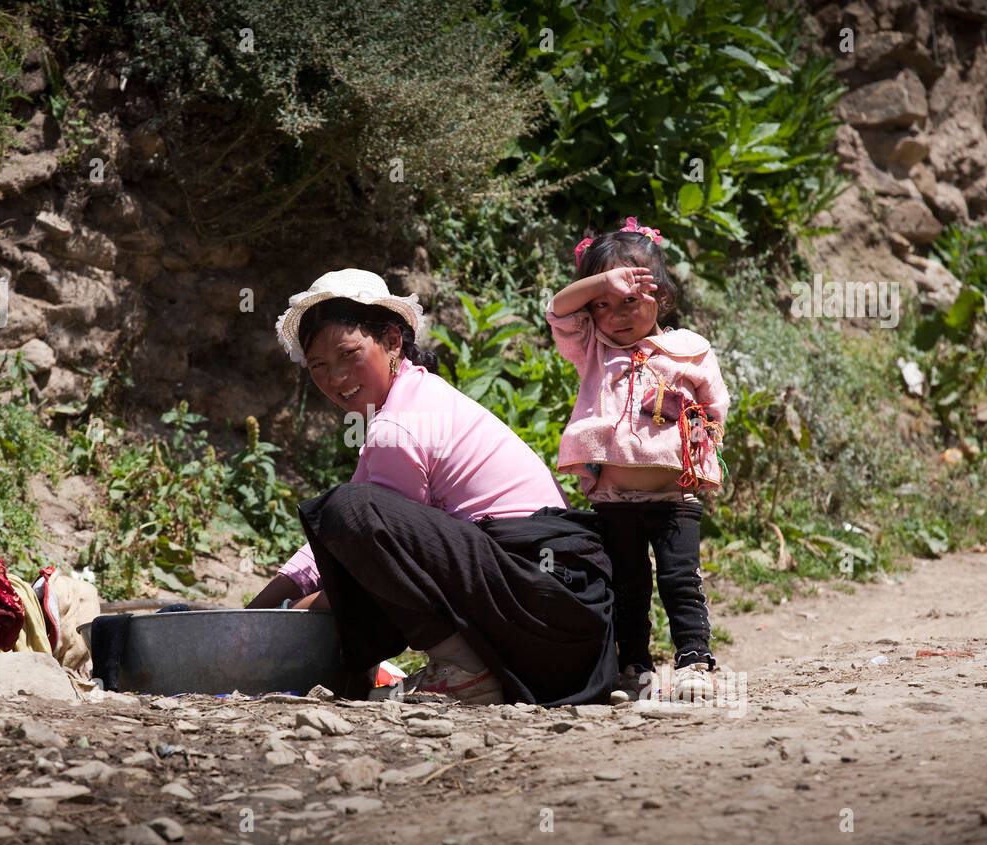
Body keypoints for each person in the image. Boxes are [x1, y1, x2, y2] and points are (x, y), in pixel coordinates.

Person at [247, 268, 619, 706]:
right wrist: (255, 612)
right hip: (558, 615)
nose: (335, 378)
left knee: (347, 510)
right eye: (318, 366)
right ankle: (464, 665)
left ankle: (463, 669)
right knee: (347, 514)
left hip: (548, 602)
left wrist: (283, 615)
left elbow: (368, 546)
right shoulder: (408, 404)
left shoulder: (400, 425)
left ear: (392, 341)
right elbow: (339, 546)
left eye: (349, 354)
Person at [546, 218, 729, 702]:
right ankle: (634, 667)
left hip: (675, 496)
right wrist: (601, 282)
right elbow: (557, 309)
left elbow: (715, 408)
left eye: (631, 300)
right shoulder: (593, 350)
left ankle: (695, 660)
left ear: (662, 298)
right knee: (627, 587)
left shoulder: (687, 351)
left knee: (679, 580)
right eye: (603, 305)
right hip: (613, 499)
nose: (617, 314)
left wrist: (699, 435)